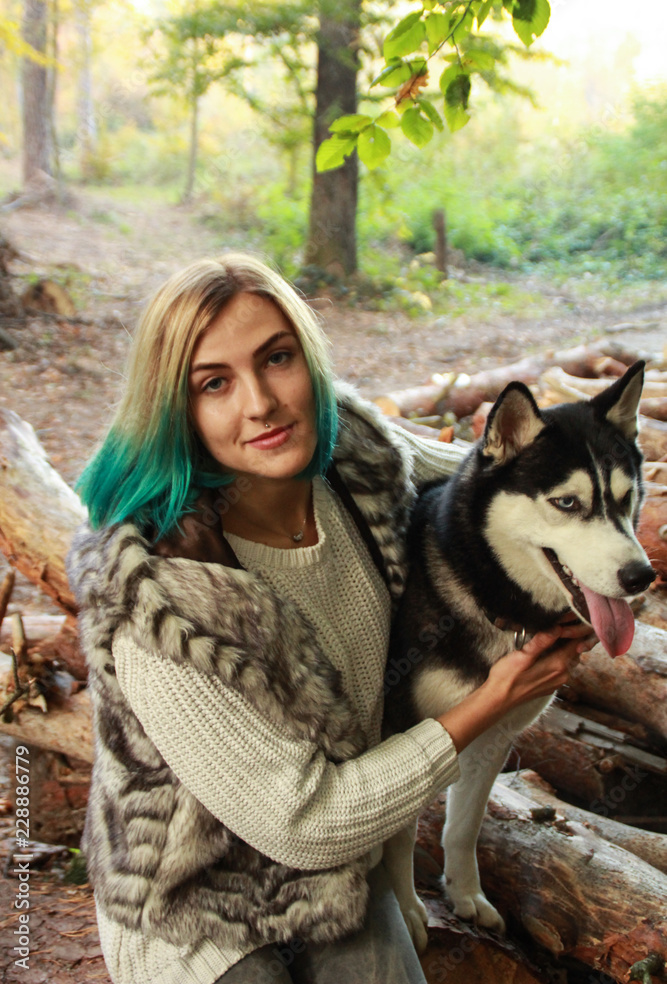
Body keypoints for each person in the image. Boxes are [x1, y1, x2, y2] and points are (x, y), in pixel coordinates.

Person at [67, 253, 594, 984]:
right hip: (196, 898)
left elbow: (481, 477)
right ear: (176, 411)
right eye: (213, 383)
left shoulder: (351, 455)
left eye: (276, 358)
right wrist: (489, 702)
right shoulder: (160, 592)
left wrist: (593, 550)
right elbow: (301, 824)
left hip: (344, 863)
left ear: (308, 360)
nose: (261, 403)